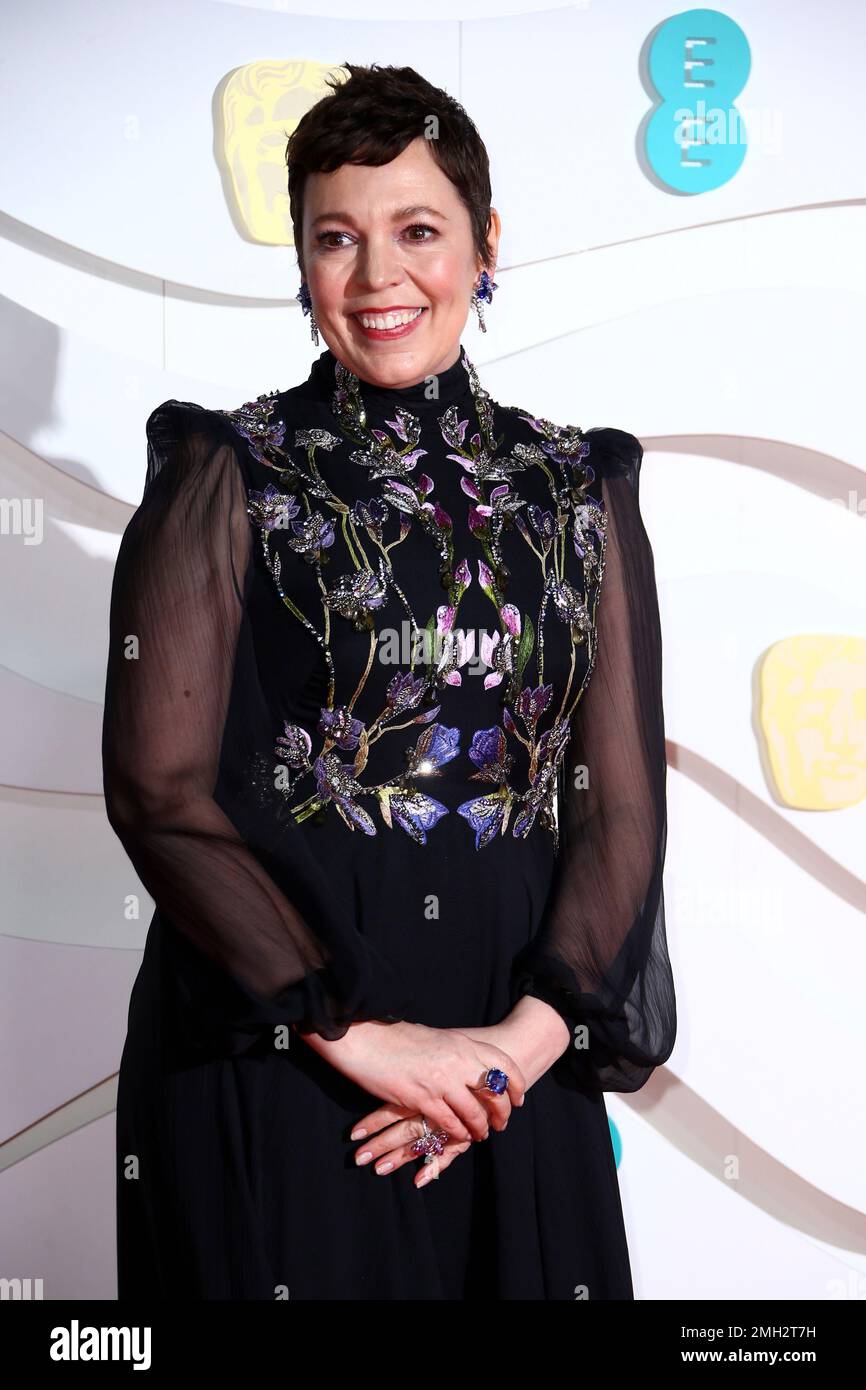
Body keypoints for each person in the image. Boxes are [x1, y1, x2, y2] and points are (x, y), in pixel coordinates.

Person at [104, 61, 676, 1301]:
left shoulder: (579, 485)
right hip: (278, 1054)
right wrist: (370, 1045)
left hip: (511, 1070)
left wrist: (501, 1061)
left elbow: (621, 805)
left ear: (483, 247)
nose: (376, 280)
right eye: (334, 240)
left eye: (417, 231)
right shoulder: (224, 469)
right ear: (301, 262)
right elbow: (159, 793)